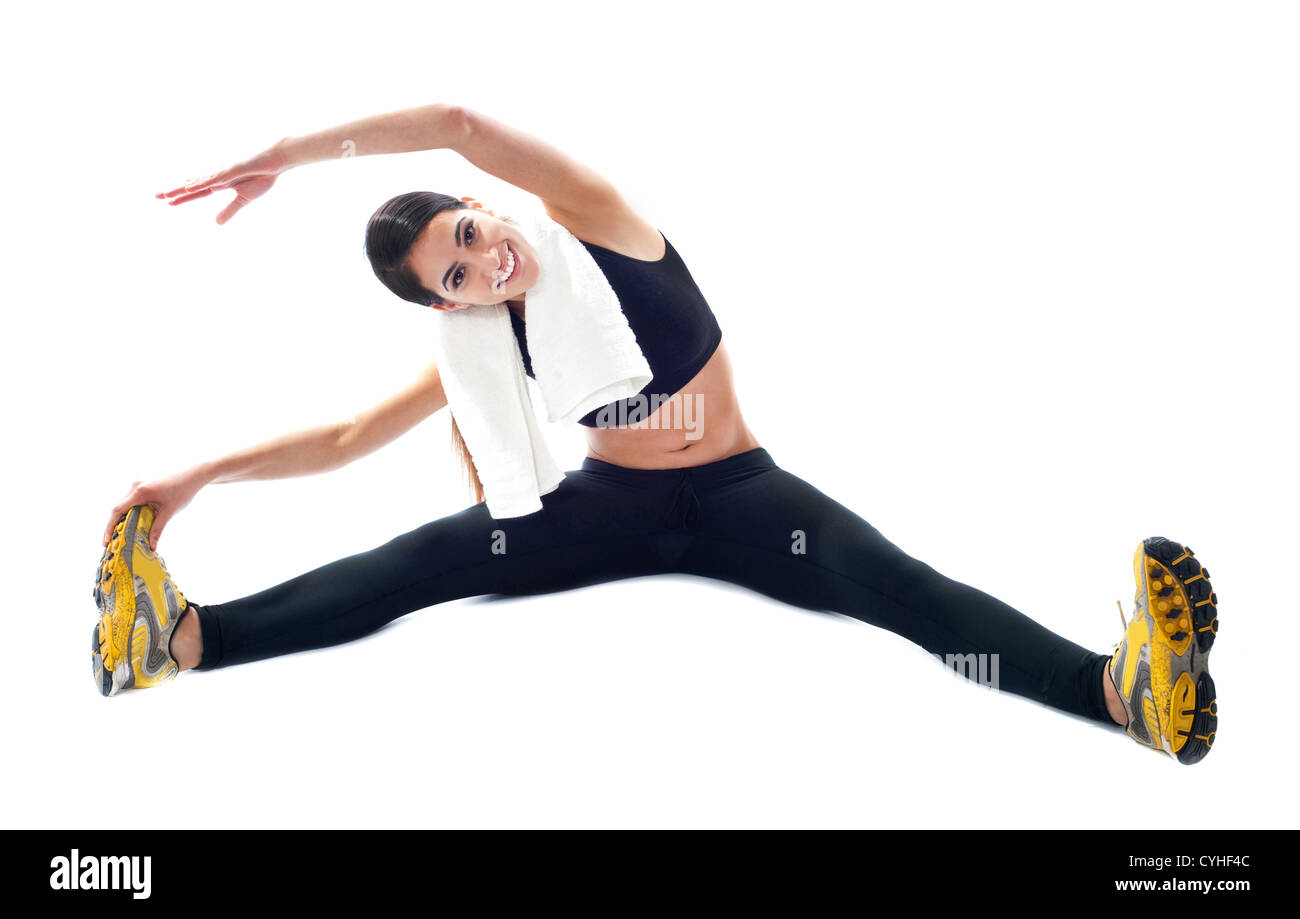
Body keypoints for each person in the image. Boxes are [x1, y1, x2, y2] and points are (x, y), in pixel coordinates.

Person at [91, 103, 1218, 764]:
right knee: (418, 563)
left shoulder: (600, 226)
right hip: (608, 511)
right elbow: (345, 437)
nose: (486, 262)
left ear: (486, 210)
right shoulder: (490, 342)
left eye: (470, 232)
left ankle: (1122, 694)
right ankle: (177, 640)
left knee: (902, 589)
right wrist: (198, 475)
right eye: (456, 275)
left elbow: (455, 124)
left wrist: (287, 153)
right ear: (446, 304)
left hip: (743, 497)